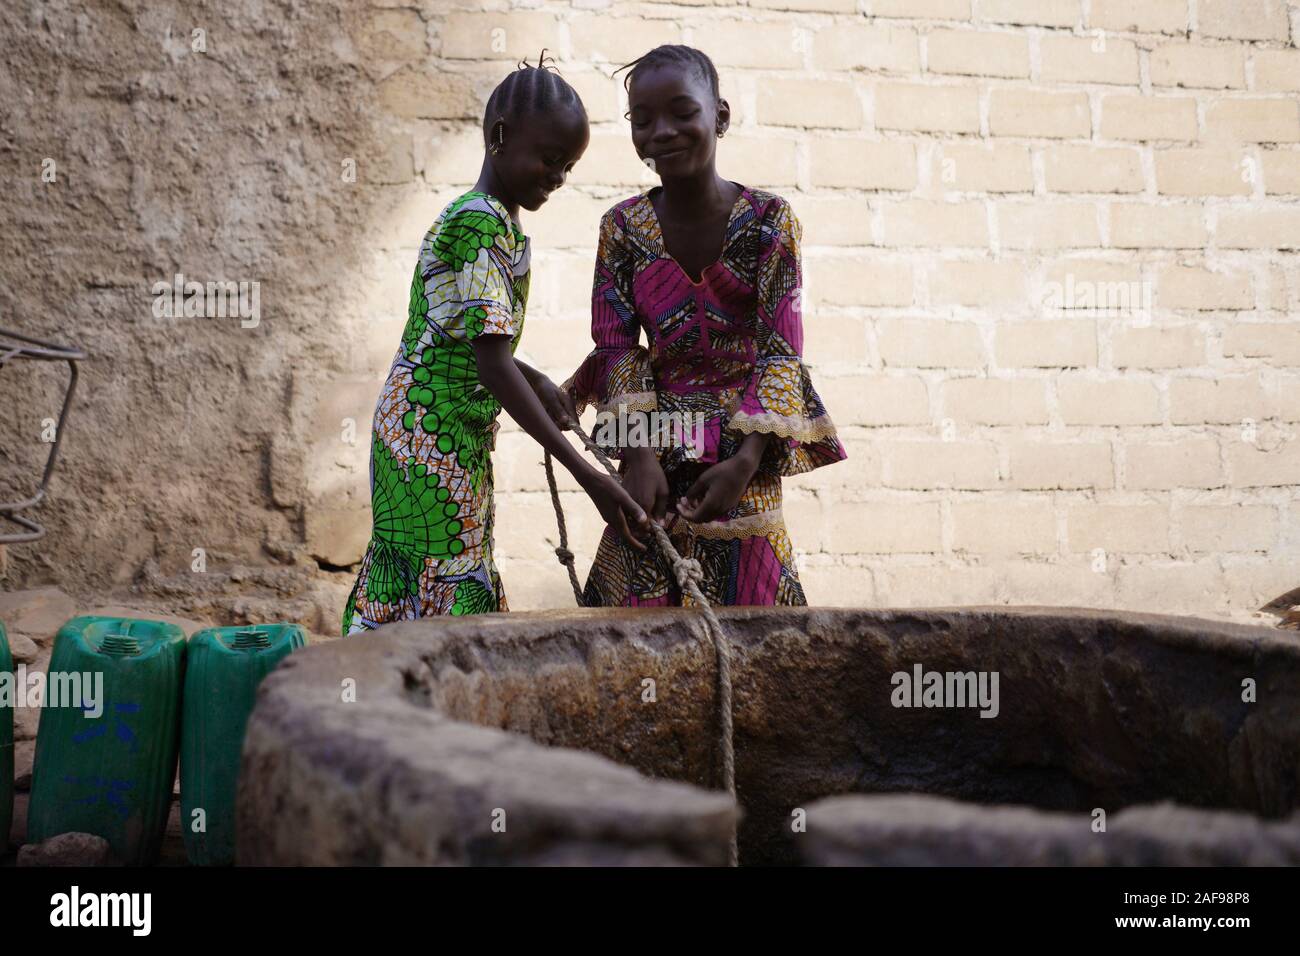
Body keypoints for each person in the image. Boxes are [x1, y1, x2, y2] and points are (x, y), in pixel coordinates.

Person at [343, 52, 650, 636]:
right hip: (428, 438)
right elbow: (490, 365)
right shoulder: (482, 223)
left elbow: (472, 340)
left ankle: (402, 701)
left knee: (436, 575)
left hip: (436, 427)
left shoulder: (492, 221)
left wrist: (534, 378)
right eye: (549, 159)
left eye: (568, 166)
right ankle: (409, 705)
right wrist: (590, 478)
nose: (557, 176)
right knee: (444, 578)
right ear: (501, 137)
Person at [564, 45, 847, 608]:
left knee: (758, 638)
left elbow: (779, 351)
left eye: (681, 112)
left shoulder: (770, 223)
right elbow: (616, 346)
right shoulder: (622, 228)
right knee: (630, 637)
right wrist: (638, 454)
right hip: (653, 465)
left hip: (740, 460)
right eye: (641, 121)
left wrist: (743, 463)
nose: (661, 132)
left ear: (720, 115)